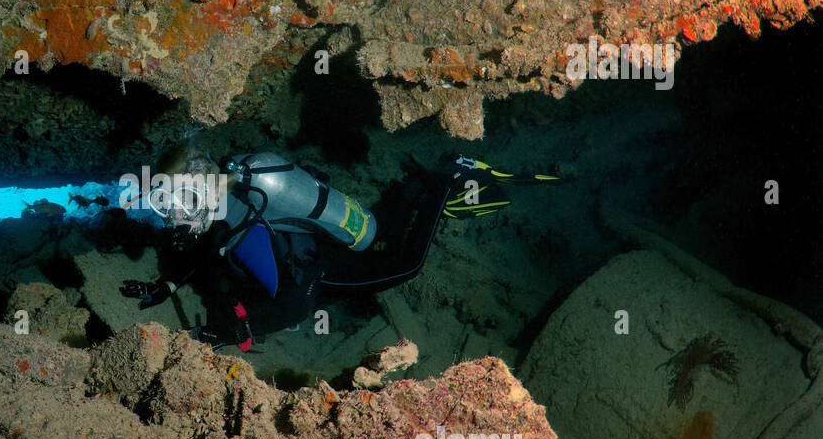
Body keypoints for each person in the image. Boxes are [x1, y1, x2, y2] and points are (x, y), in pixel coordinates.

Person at [119, 146, 555, 351]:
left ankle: (446, 182)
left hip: (322, 267)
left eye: (177, 204)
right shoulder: (223, 207)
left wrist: (228, 333)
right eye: (164, 203)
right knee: (384, 227)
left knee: (404, 268)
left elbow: (296, 307)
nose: (170, 217)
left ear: (201, 192)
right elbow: (206, 253)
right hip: (297, 257)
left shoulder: (255, 225)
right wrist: (167, 286)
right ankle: (412, 189)